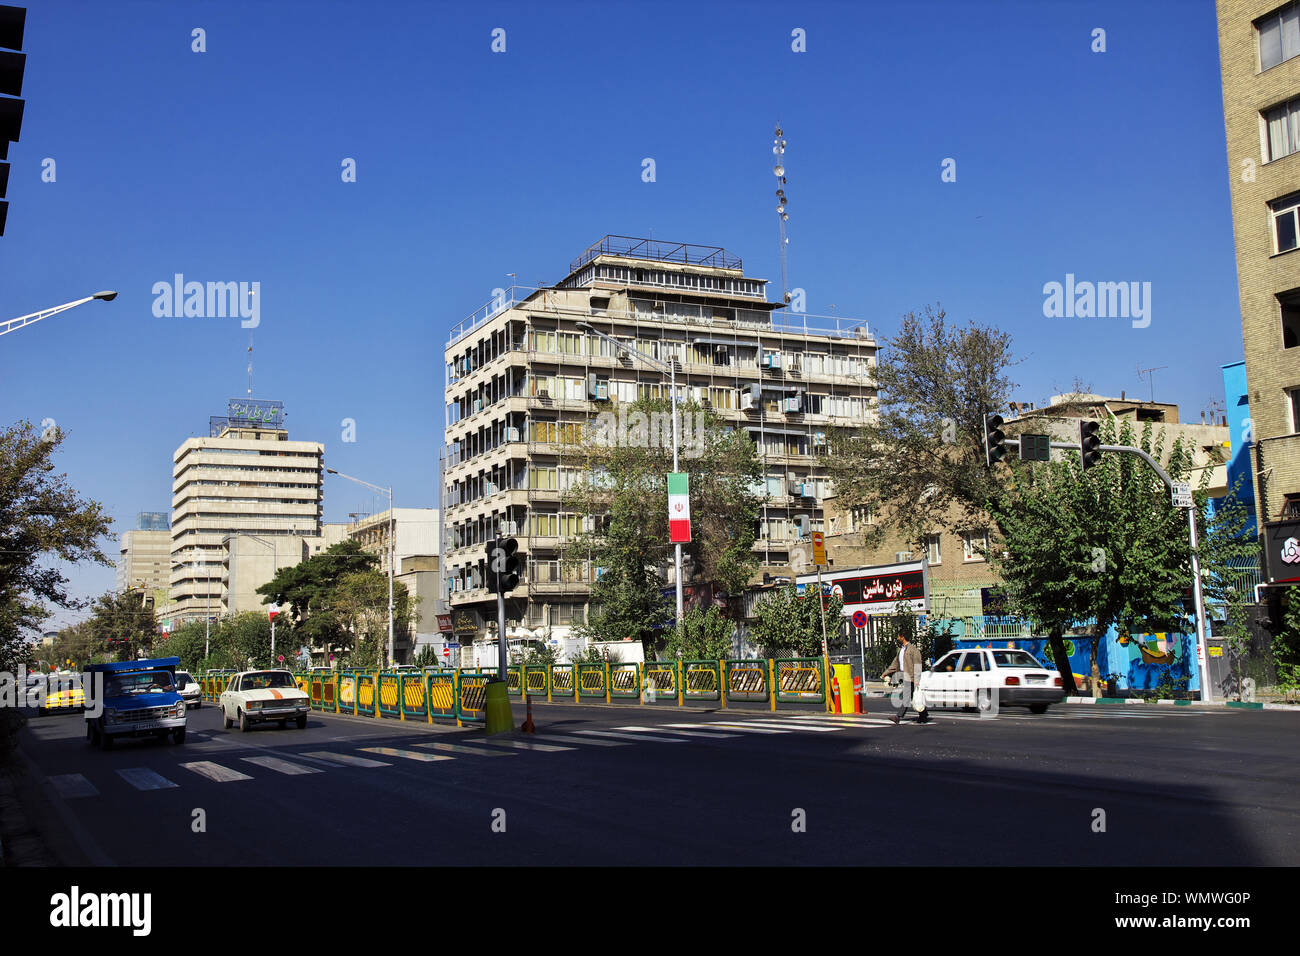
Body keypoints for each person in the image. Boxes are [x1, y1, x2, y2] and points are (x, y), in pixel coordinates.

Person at [880, 632, 930, 724]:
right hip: (904, 677)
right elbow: (895, 664)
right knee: (911, 697)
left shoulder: (913, 650)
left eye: (898, 636)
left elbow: (918, 665)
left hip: (911, 678)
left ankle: (898, 717)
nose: (897, 638)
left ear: (903, 637)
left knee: (906, 698)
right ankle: (923, 715)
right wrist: (885, 673)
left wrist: (917, 679)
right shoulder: (901, 650)